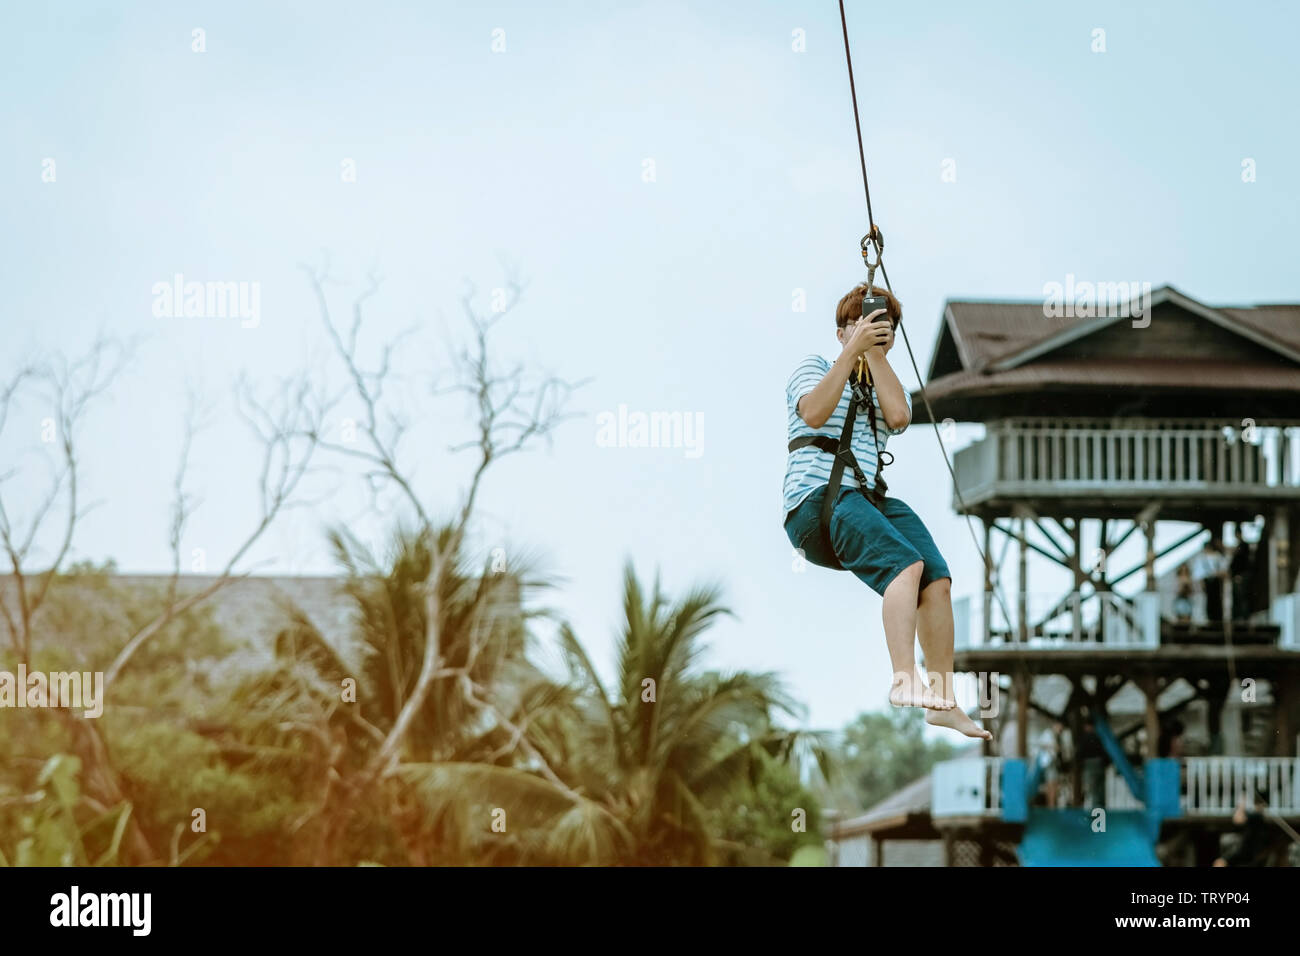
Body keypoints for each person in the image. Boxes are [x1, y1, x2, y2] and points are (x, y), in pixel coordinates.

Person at [782, 283, 990, 741]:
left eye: (887, 328)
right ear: (841, 331)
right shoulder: (813, 367)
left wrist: (873, 355)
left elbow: (898, 417)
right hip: (815, 502)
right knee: (905, 564)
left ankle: (942, 699)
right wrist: (851, 351)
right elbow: (814, 413)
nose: (879, 332)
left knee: (935, 577)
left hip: (866, 498)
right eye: (867, 324)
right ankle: (903, 676)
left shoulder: (881, 380)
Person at [1214, 792, 1273, 866]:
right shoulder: (1254, 817)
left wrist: (1242, 807)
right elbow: (1237, 819)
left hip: (1250, 854)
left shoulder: (1256, 817)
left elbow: (1238, 819)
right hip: (1245, 853)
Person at [1190, 534, 1228, 623]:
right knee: (1208, 602)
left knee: (1215, 602)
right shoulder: (1203, 558)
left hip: (1215, 582)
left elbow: (1224, 572)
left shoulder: (1217, 557)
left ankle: (1215, 619)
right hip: (1207, 582)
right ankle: (1210, 619)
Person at [1077, 717, 1108, 809]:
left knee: (1091, 789)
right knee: (1100, 790)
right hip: (1099, 763)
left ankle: (1092, 811)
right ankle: (1100, 811)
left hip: (1089, 764)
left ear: (1086, 726)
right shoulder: (1099, 737)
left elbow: (1080, 753)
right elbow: (1105, 752)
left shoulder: (1084, 738)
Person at [1229, 524, 1254, 623]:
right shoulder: (1241, 546)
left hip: (1240, 576)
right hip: (1239, 575)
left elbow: (1243, 563)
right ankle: (1240, 618)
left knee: (1241, 597)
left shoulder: (1243, 546)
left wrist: (1239, 575)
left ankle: (1243, 618)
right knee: (1239, 598)